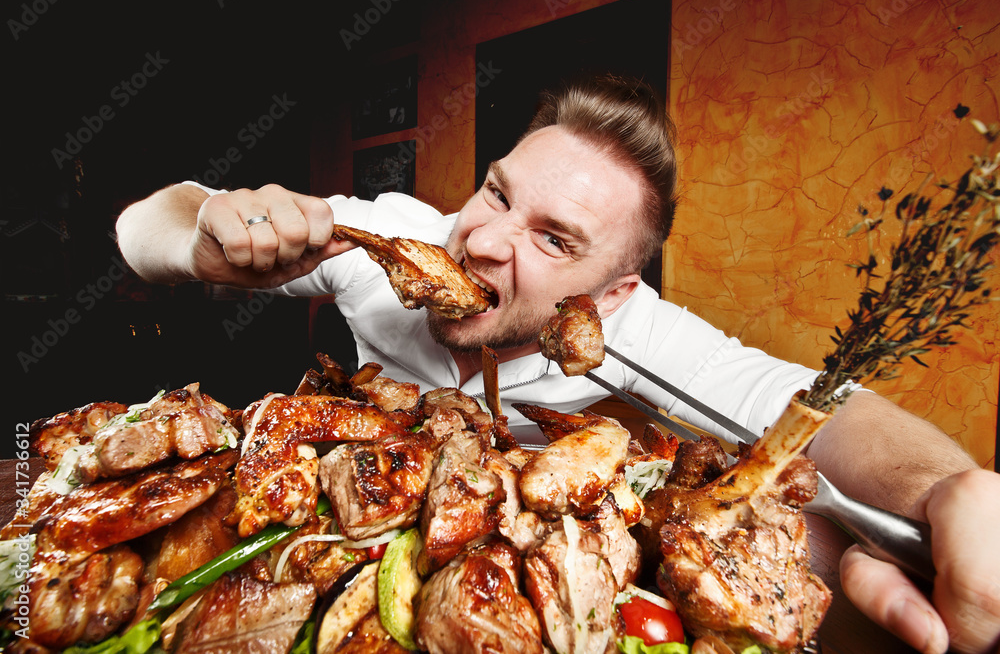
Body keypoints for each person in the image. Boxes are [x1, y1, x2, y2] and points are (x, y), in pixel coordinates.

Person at [116, 75, 1000, 654]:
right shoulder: (393, 239)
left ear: (609, 292)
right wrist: (203, 230)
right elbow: (144, 224)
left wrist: (943, 488)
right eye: (499, 191)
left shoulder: (632, 330)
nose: (486, 238)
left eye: (553, 238)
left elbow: (822, 409)